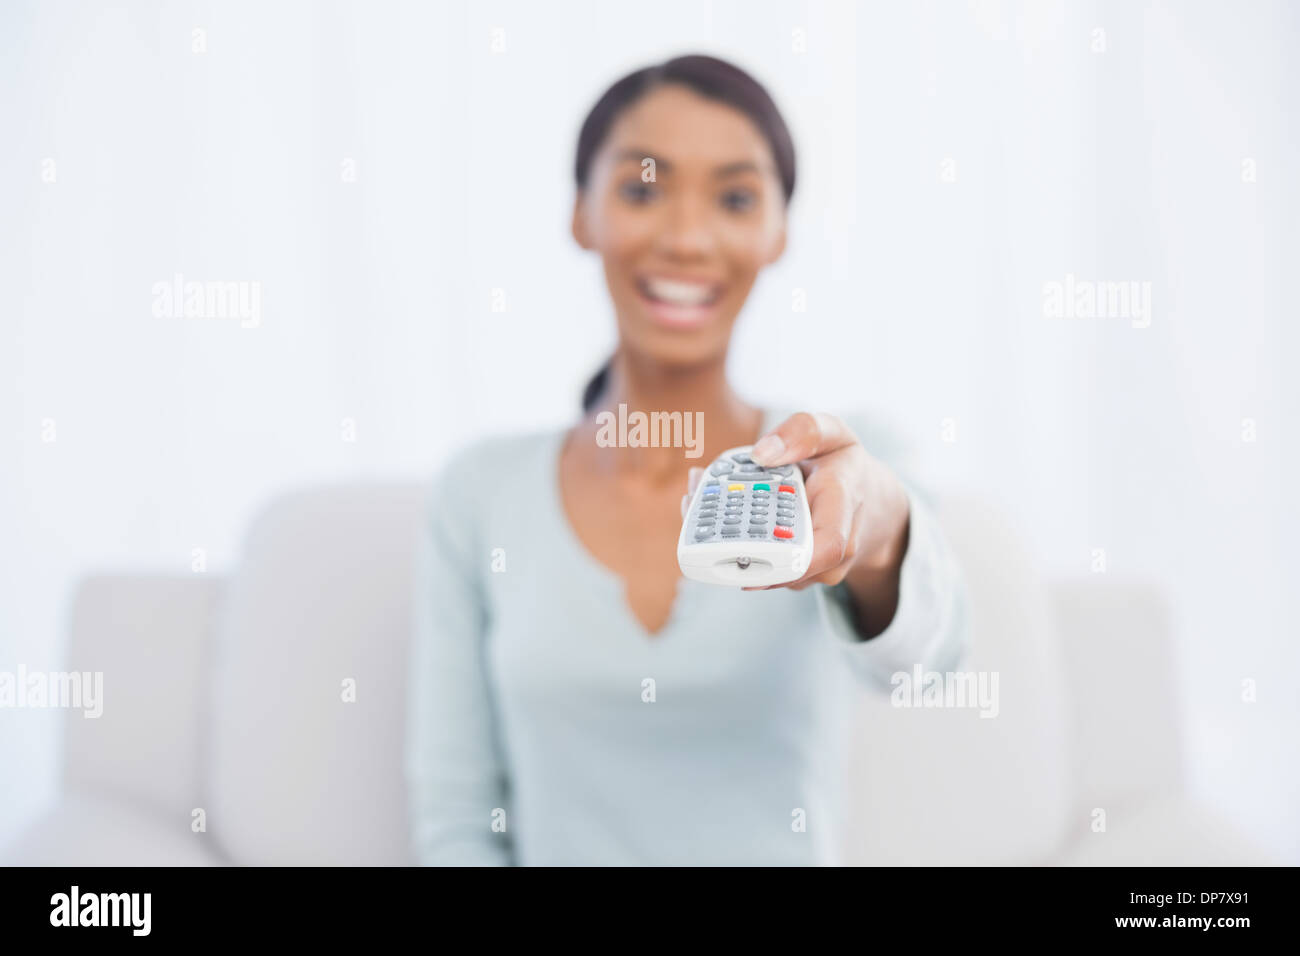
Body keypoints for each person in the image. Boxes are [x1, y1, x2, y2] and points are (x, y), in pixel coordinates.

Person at [406, 53, 969, 865]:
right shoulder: (479, 494)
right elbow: (456, 817)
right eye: (643, 188)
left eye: (735, 197)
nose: (686, 237)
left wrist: (876, 530)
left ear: (778, 232)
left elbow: (926, 665)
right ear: (581, 214)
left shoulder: (847, 460)